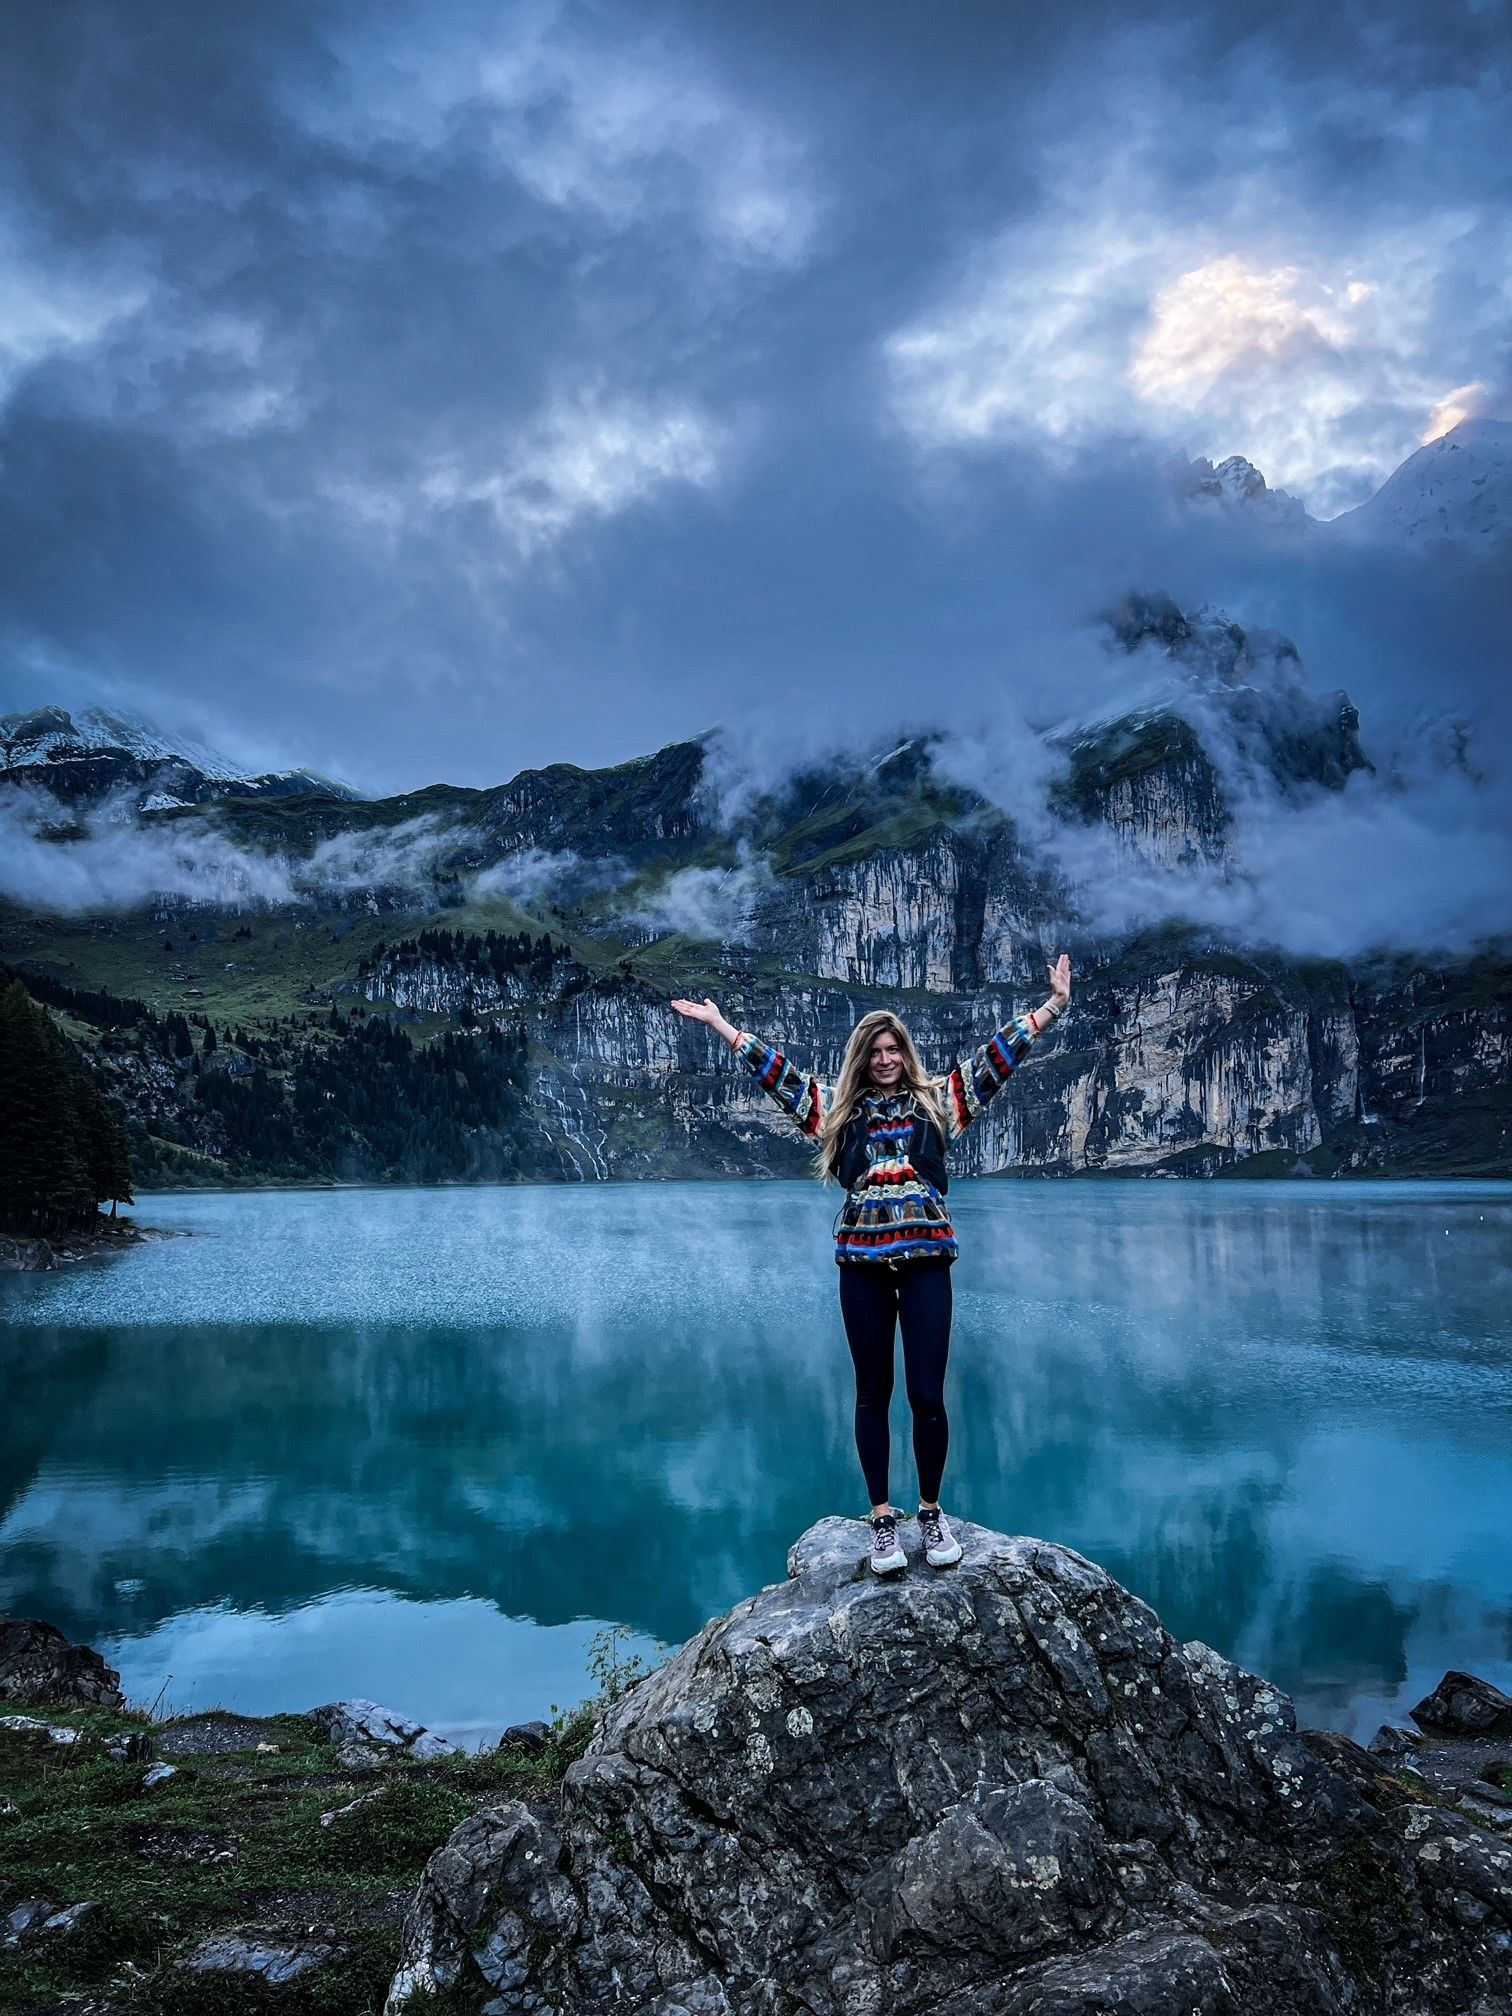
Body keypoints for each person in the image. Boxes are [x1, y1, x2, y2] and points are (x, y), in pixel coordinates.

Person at [671, 955, 1072, 1576]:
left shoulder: (938, 1103)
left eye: (893, 1049)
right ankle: (883, 1520)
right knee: (872, 1394)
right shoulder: (837, 1111)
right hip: (861, 1264)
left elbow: (998, 1057)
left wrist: (1052, 1006)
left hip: (926, 1263)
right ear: (863, 1056)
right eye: (875, 1050)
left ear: (904, 1053)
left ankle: (931, 1513)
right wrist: (723, 1026)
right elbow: (774, 1073)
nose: (885, 1058)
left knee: (927, 1395)